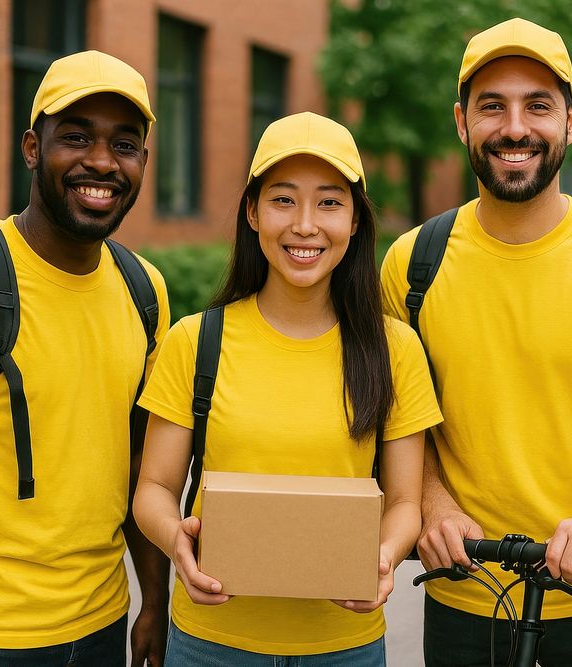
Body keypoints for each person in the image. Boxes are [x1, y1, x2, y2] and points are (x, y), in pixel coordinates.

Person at [380, 17, 572, 666]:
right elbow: (402, 427)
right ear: (461, 122)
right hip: (466, 592)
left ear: (571, 121)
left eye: (538, 106)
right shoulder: (412, 265)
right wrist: (433, 506)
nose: (515, 127)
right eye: (492, 106)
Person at [132, 111, 442, 666]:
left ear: (354, 221)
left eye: (329, 202)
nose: (305, 225)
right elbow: (153, 487)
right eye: (282, 200)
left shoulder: (393, 350)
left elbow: (404, 503)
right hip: (211, 643)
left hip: (344, 647)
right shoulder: (196, 341)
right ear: (252, 212)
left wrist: (384, 558)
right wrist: (177, 542)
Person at [0, 51, 171, 665]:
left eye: (125, 145)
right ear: (32, 148)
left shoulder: (145, 291)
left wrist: (155, 607)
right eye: (76, 137)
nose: (102, 163)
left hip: (104, 626)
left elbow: (143, 466)